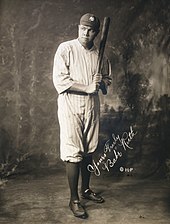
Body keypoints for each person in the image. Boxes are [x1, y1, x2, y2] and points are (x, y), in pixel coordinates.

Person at [53, 13, 111, 219]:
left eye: (90, 30)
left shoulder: (100, 55)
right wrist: (87, 86)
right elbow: (60, 82)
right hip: (70, 106)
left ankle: (86, 189)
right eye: (82, 28)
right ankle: (74, 199)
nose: (86, 33)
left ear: (96, 33)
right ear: (78, 28)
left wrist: (101, 82)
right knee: (73, 150)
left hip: (91, 106)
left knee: (89, 149)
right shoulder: (66, 49)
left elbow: (105, 87)